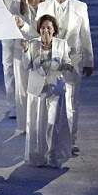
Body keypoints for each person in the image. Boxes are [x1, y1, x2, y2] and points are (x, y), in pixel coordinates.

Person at [35, 0, 94, 154]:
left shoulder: (80, 7)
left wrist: (89, 60)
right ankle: (51, 141)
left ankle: (70, 141)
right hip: (49, 61)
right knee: (50, 102)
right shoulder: (43, 7)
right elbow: (37, 35)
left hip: (73, 60)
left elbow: (85, 35)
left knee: (71, 102)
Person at [24, 15, 74, 168]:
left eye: (49, 28)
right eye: (43, 28)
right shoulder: (32, 44)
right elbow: (27, 65)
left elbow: (67, 62)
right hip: (37, 89)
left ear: (54, 30)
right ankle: (37, 156)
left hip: (55, 88)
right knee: (38, 125)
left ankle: (52, 155)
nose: (45, 31)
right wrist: (25, 51)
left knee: (53, 123)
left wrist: (67, 66)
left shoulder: (62, 44)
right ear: (39, 29)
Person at [10, 0, 46, 134]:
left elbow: (41, 31)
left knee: (39, 88)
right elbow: (10, 27)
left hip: (40, 50)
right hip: (21, 50)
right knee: (21, 88)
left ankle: (38, 123)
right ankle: (22, 125)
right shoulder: (17, 1)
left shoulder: (46, 3)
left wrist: (23, 27)